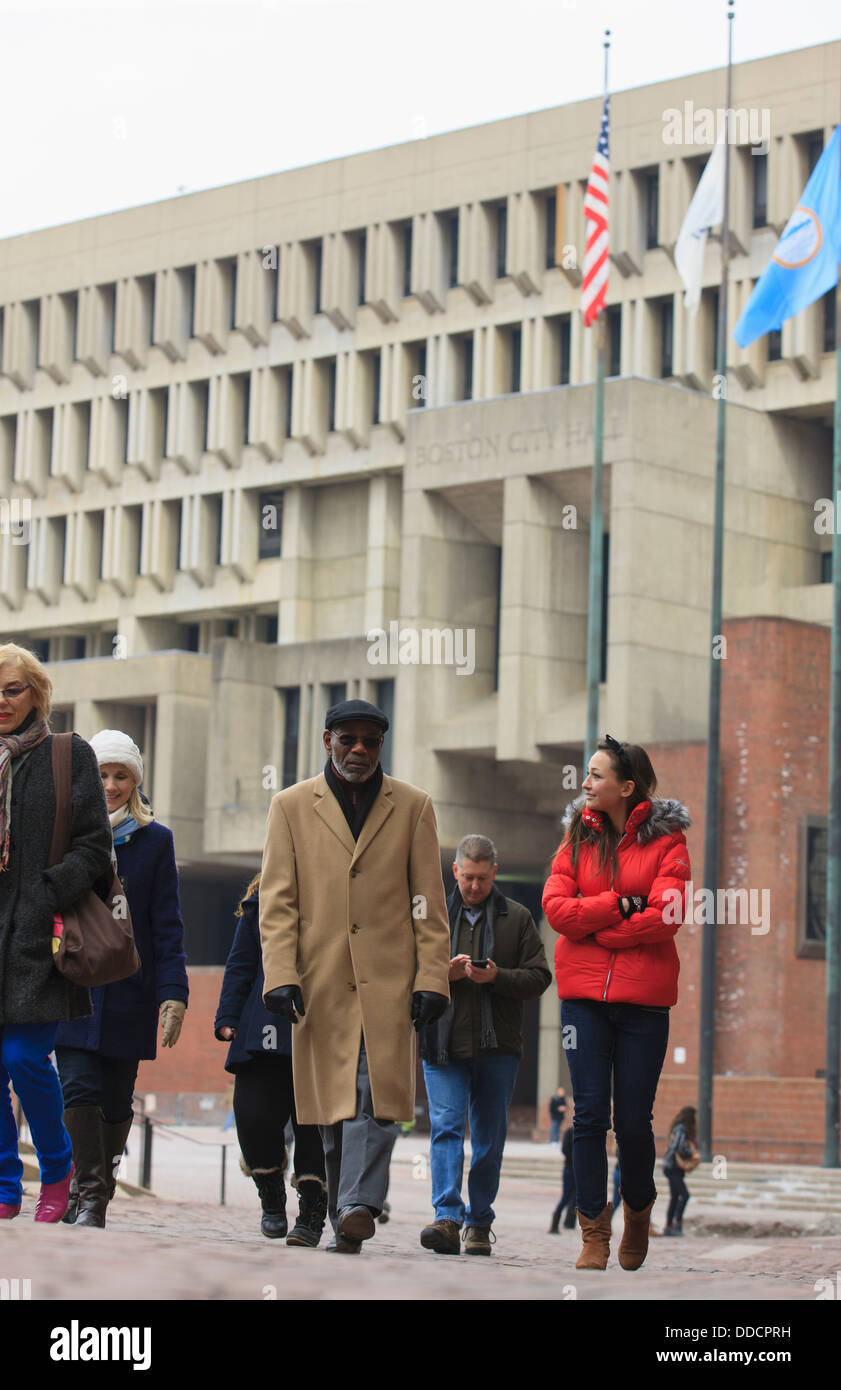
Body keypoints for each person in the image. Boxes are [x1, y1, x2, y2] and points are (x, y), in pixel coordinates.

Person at [259, 698, 451, 1254]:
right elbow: (277, 902)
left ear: (382, 745)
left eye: (371, 740)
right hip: (319, 979)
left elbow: (428, 902)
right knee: (332, 1105)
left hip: (390, 980)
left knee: (375, 1095)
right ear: (327, 741)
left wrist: (432, 978)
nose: (360, 750)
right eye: (349, 740)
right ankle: (347, 1213)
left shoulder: (413, 806)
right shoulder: (290, 806)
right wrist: (280, 973)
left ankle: (360, 1203)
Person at [542, 735, 691, 1273]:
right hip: (582, 1000)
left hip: (644, 1004)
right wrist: (616, 907)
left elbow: (667, 914)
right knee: (587, 1116)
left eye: (596, 776)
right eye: (587, 774)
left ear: (626, 788)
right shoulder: (576, 836)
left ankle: (639, 1212)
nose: (585, 784)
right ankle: (593, 1231)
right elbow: (556, 908)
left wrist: (601, 930)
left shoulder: (668, 841)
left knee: (631, 1121)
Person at [54, 730, 189, 1227]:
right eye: (101, 774)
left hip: (131, 991)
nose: (109, 785)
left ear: (134, 781)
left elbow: (167, 924)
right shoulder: (65, 833)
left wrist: (174, 994)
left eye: (120, 776)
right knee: (77, 1089)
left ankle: (93, 1191)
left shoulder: (156, 841)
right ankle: (90, 1195)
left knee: (114, 1101)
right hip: (74, 986)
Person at [0, 644, 113, 1223]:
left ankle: (59, 1165)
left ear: (36, 694)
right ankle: (3, 1183)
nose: (2, 701)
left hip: (42, 937)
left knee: (23, 1056)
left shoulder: (70, 756)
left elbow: (95, 845)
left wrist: (48, 889)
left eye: (12, 689)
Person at [418, 833, 552, 1256]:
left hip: (498, 1050)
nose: (474, 887)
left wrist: (497, 977)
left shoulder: (518, 917)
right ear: (454, 871)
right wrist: (446, 975)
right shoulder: (431, 915)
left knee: (490, 1140)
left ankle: (479, 1222)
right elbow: (404, 972)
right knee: (447, 1130)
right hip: (442, 1044)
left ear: (495, 872)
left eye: (482, 878)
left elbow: (540, 977)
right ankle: (446, 1217)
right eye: (467, 878)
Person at [214, 872, 328, 1247]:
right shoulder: (262, 898)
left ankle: (313, 1211)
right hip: (263, 1023)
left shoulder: (336, 886)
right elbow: (241, 962)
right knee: (252, 1116)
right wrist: (228, 1016)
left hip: (321, 1025)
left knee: (315, 1126)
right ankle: (271, 1194)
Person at [662, 1105, 700, 1236]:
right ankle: (676, 1224)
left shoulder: (678, 1128)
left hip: (672, 1167)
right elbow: (678, 1147)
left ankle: (669, 1226)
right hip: (673, 1166)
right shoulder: (681, 1129)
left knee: (675, 1197)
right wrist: (691, 1154)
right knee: (684, 1195)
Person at [548, 1123, 577, 1233]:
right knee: (566, 1196)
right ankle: (555, 1221)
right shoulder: (570, 1131)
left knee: (576, 1197)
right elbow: (565, 1149)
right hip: (570, 1169)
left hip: (576, 1169)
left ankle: (570, 1222)